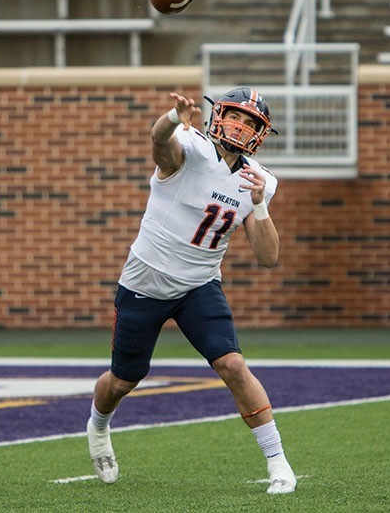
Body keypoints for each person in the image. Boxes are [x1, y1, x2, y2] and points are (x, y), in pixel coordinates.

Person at [86, 87, 296, 495]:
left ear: (260, 134)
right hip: (145, 281)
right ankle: (98, 426)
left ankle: (279, 463)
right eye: (235, 116)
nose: (240, 126)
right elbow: (158, 142)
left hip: (199, 284)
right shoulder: (191, 147)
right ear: (218, 116)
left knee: (233, 366)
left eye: (250, 123)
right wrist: (171, 116)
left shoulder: (259, 180)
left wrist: (261, 204)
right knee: (124, 380)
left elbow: (268, 257)